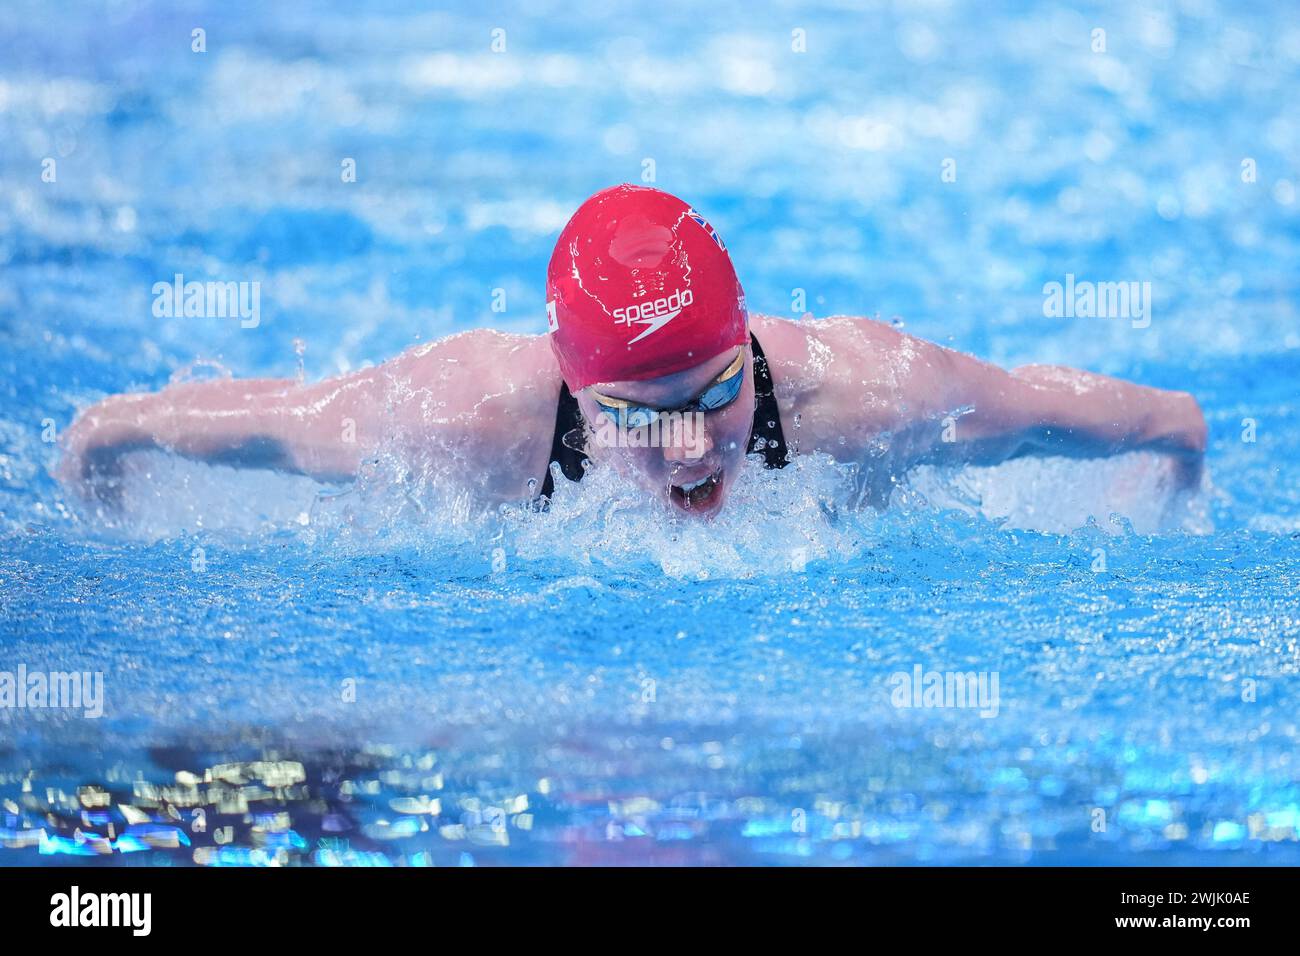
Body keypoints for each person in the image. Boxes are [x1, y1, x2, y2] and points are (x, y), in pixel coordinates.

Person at [58, 184, 1207, 518]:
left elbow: (1137, 418)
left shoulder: (873, 393)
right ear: (576, 391)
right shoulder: (468, 421)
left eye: (714, 395)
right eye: (641, 415)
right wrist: (108, 434)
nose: (693, 446)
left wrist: (1174, 470)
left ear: (750, 354)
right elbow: (277, 417)